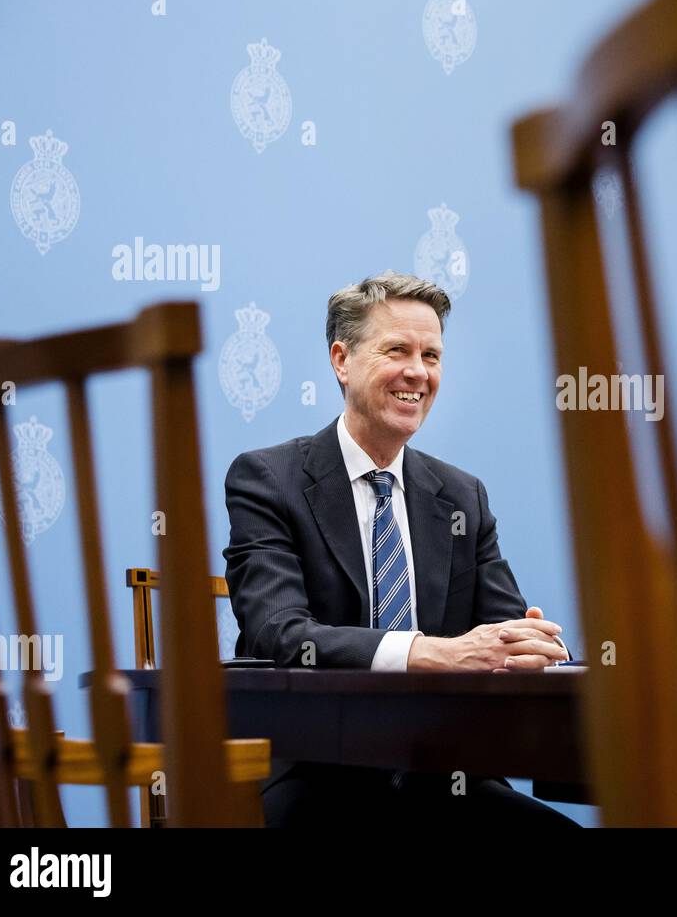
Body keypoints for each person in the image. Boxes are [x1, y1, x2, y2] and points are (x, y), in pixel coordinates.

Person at [223, 271, 578, 827]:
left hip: (444, 778)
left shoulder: (463, 497)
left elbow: (500, 634)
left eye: (432, 356)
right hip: (317, 774)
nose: (418, 372)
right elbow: (281, 635)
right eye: (397, 350)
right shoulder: (268, 479)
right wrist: (432, 652)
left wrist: (526, 646)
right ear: (341, 361)